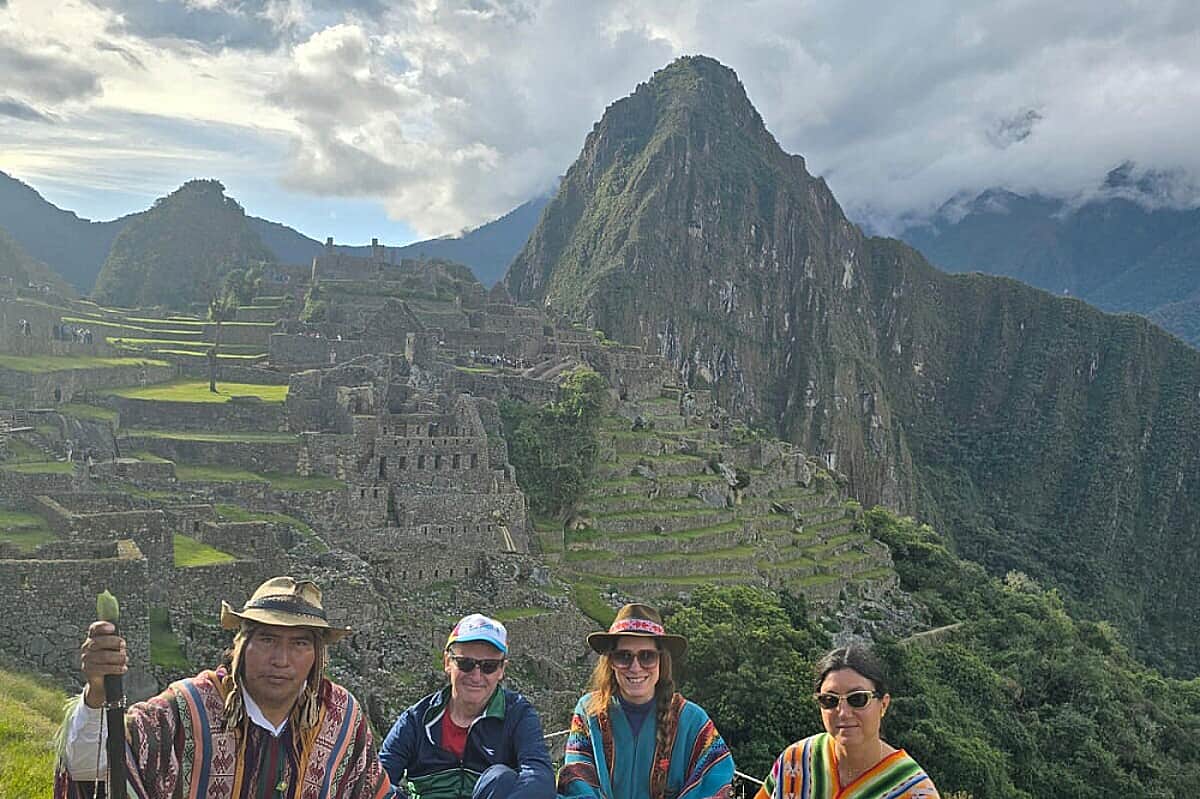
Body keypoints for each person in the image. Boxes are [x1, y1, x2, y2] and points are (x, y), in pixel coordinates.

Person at [56, 576, 391, 799]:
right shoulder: (186, 710)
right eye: (267, 639)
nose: (281, 659)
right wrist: (98, 692)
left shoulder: (340, 717)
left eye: (300, 643)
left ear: (317, 656)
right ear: (241, 646)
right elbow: (91, 767)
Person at [558, 603, 734, 799]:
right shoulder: (589, 712)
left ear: (661, 661)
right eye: (624, 656)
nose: (635, 668)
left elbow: (715, 776)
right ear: (611, 662)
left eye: (647, 656)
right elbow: (578, 779)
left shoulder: (693, 721)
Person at [380, 613, 553, 799]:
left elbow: (539, 776)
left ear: (502, 670)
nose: (476, 677)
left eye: (489, 666)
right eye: (465, 664)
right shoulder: (416, 720)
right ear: (448, 663)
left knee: (501, 779)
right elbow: (377, 779)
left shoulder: (518, 714)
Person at [753, 645, 940, 799]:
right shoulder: (796, 761)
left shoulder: (914, 792)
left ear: (883, 704)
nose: (843, 712)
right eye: (830, 700)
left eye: (857, 699)